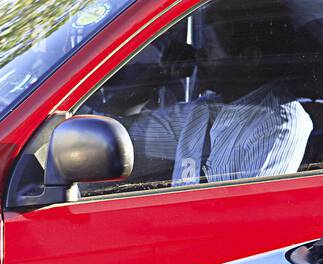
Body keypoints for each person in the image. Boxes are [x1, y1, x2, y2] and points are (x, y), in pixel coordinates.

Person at [125, 1, 312, 187]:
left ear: (250, 58)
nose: (198, 55)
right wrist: (161, 72)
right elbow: (120, 130)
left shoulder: (278, 125)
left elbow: (252, 210)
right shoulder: (199, 112)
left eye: (210, 48)